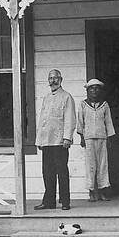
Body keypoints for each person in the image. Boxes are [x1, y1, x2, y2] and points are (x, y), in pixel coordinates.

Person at [34, 69, 77, 210]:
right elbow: (43, 120)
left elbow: (70, 119)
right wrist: (39, 140)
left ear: (61, 79)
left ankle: (65, 202)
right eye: (50, 78)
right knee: (47, 172)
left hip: (60, 141)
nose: (53, 81)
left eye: (55, 78)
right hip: (47, 141)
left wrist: (67, 138)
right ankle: (49, 202)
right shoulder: (46, 97)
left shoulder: (66, 97)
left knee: (62, 172)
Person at [77, 78, 115, 202]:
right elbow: (80, 122)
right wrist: (82, 137)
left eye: (96, 88)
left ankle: (103, 191)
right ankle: (92, 192)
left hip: (102, 138)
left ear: (100, 91)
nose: (94, 91)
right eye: (91, 88)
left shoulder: (104, 105)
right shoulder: (83, 104)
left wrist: (109, 137)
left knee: (102, 165)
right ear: (87, 91)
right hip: (88, 139)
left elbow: (108, 122)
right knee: (90, 165)